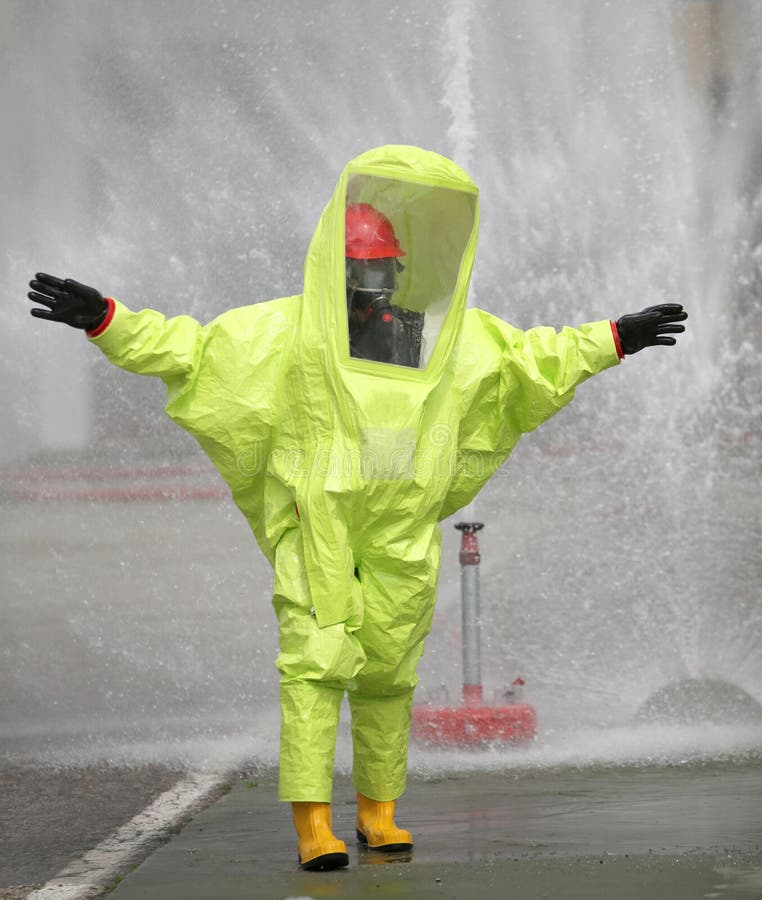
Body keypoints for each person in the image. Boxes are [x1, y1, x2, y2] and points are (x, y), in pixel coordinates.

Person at [27, 144, 686, 871]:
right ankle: (315, 823)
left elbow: (532, 359)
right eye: (361, 269)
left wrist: (615, 338)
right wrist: (108, 320)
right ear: (336, 271)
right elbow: (190, 349)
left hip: (402, 531)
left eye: (382, 268)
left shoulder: (435, 341)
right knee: (313, 668)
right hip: (323, 528)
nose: (373, 283)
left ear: (398, 271)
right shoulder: (286, 333)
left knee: (388, 675)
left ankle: (379, 813)